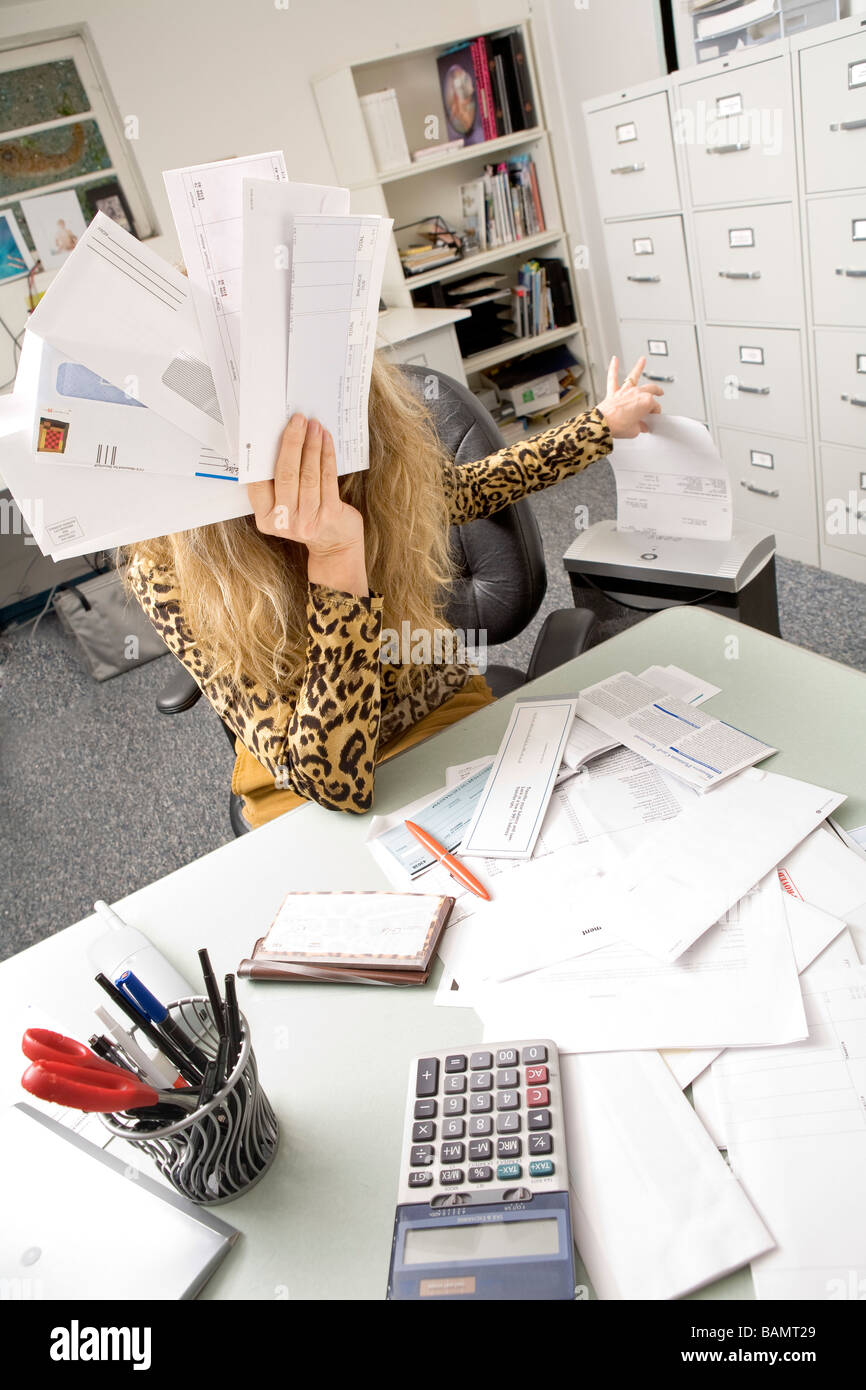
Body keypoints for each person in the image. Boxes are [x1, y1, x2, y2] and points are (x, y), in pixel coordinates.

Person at [126, 353, 661, 828]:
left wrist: (601, 425)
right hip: (303, 776)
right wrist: (337, 562)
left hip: (435, 708)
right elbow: (333, 780)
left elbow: (477, 486)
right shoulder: (169, 563)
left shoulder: (374, 469)